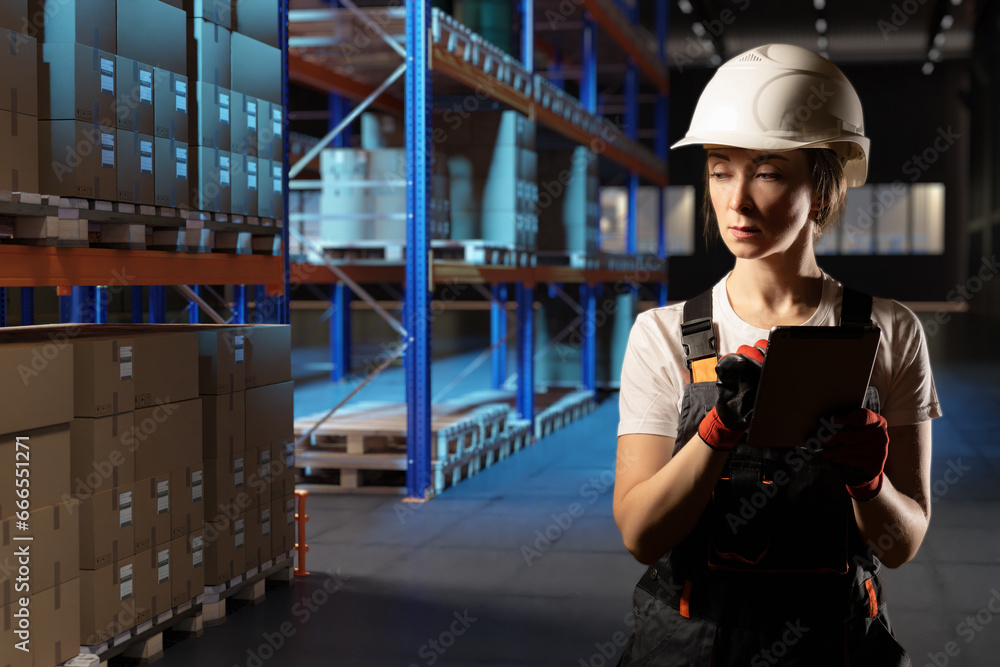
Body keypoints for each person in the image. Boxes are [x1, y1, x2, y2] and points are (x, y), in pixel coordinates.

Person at [613, 44, 940, 666]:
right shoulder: (661, 335)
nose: (736, 201)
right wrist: (716, 432)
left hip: (833, 644)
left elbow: (901, 544)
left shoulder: (891, 332)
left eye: (767, 172)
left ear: (823, 188)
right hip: (690, 645)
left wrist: (869, 483)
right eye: (718, 168)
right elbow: (639, 532)